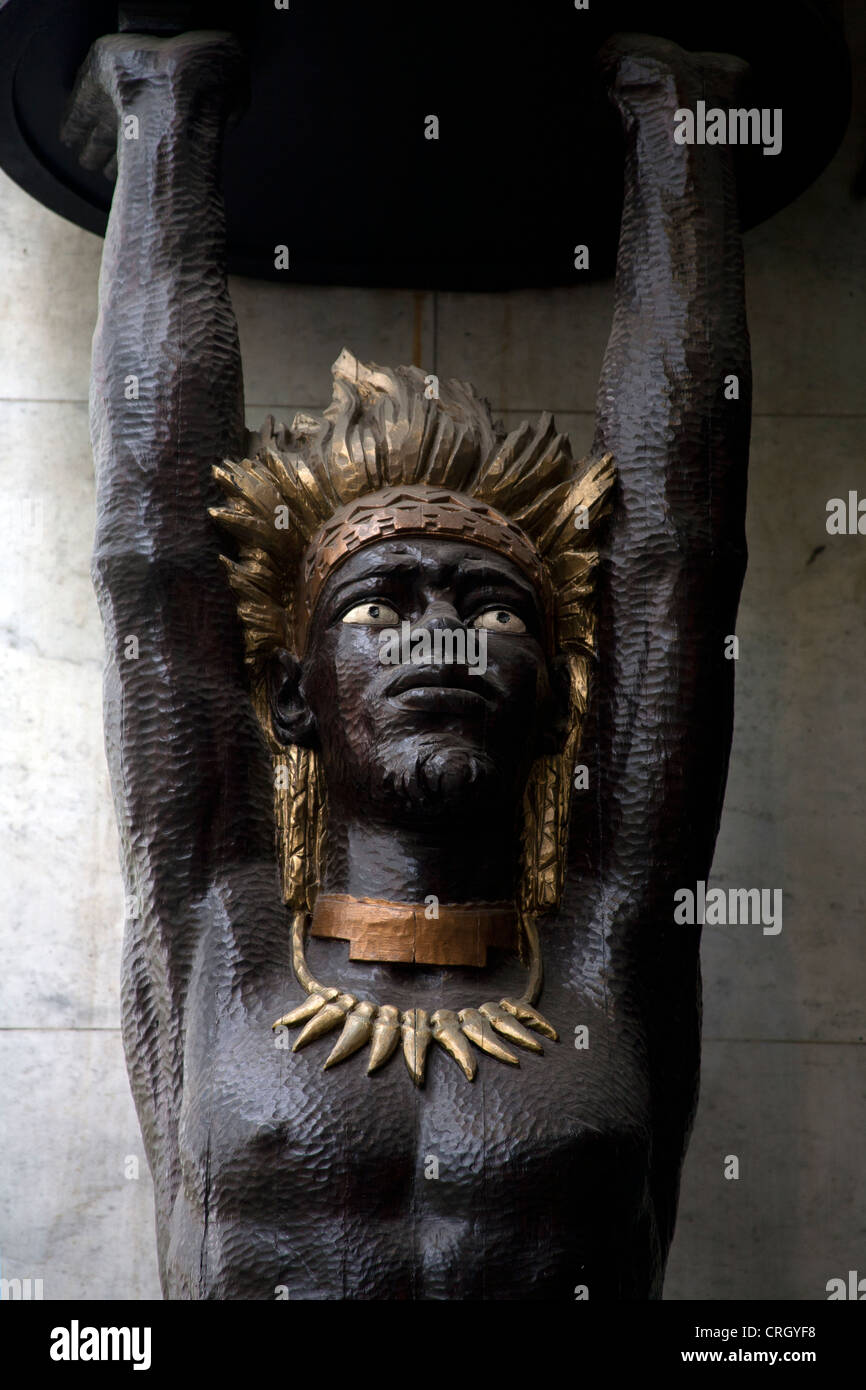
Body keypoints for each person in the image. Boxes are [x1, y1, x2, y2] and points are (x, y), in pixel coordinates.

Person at [63, 27, 750, 1299]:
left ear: (559, 708)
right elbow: (153, 555)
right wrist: (169, 102)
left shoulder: (612, 946)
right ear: (288, 695)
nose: (439, 631)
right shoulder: (221, 927)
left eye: (490, 609)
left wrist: (683, 121)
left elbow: (679, 558)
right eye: (383, 603)